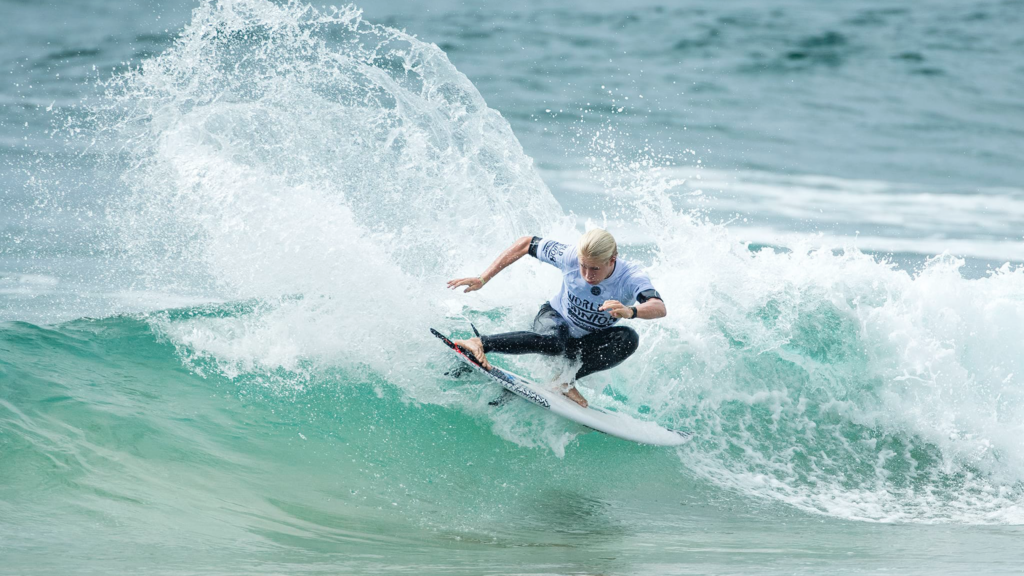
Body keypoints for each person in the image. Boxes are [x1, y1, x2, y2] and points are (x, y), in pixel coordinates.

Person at [447, 229, 666, 408]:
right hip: (554, 319)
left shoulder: (630, 277)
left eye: (595, 268)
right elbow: (526, 243)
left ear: (612, 260)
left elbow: (659, 306)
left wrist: (631, 311)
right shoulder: (569, 255)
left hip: (584, 342)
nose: (587, 275)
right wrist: (482, 278)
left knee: (629, 339)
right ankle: (479, 343)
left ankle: (564, 382)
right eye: (583, 266)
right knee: (554, 342)